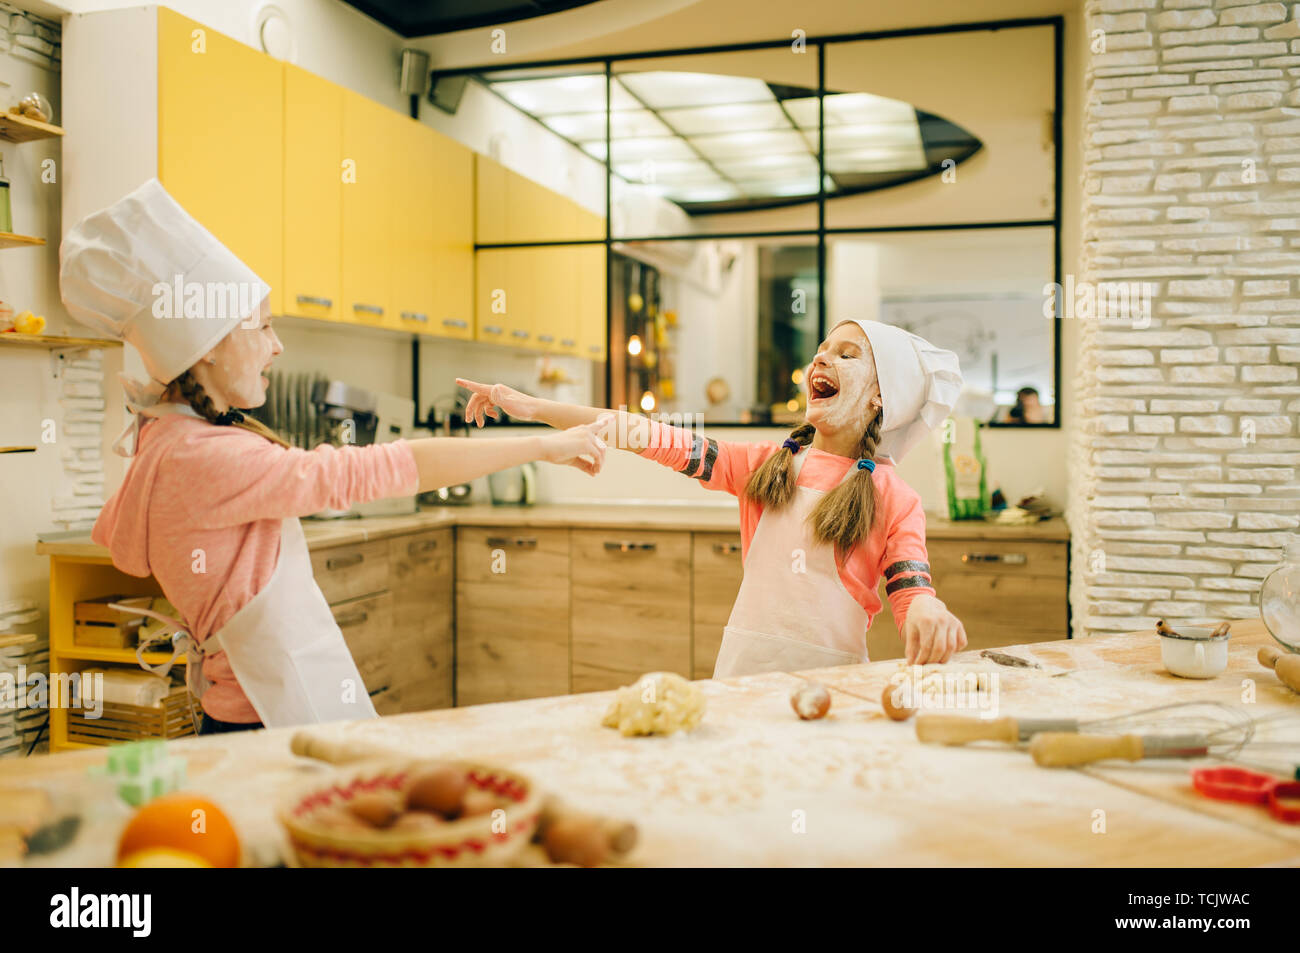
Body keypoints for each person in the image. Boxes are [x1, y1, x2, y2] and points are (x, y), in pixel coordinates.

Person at [60, 179, 608, 734]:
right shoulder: (202, 457)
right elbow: (381, 468)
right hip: (266, 721)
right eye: (265, 326)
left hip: (244, 709)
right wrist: (543, 444)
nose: (277, 345)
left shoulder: (167, 442)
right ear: (209, 346)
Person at [458, 318, 968, 676]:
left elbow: (911, 589)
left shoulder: (894, 497)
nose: (822, 357)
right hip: (741, 678)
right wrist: (527, 405)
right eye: (822, 350)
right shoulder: (766, 467)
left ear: (881, 397)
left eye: (846, 354)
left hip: (831, 691)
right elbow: (635, 430)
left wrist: (926, 612)